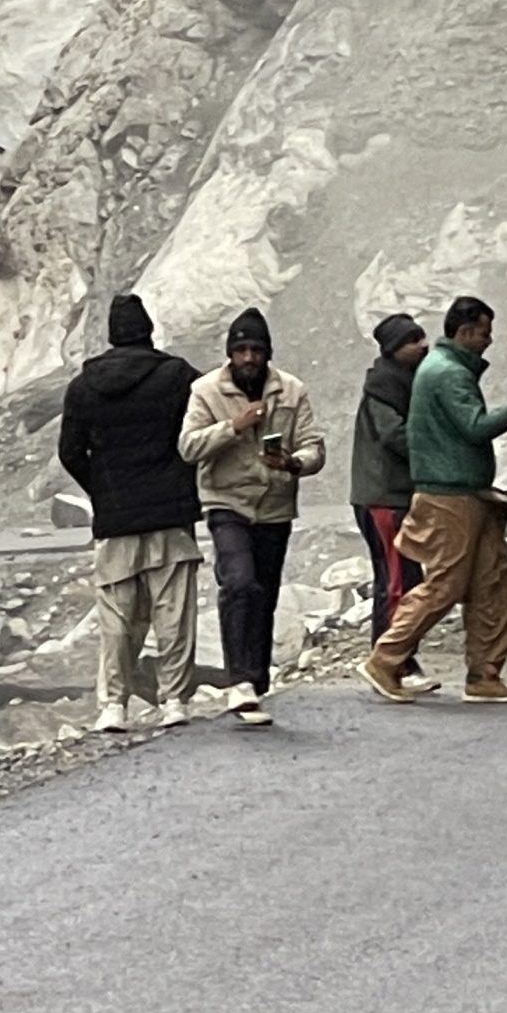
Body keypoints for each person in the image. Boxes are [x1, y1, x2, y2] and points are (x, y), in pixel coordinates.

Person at [359, 295, 507, 706]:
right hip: (449, 496)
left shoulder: (445, 369)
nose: (488, 341)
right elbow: (476, 427)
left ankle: (485, 674)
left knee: (490, 582)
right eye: (484, 333)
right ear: (466, 331)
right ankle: (385, 659)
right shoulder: (448, 374)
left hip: (468, 493)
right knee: (446, 583)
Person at [57, 294, 203, 736]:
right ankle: (174, 700)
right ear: (148, 330)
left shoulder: (83, 387)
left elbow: (69, 452)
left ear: (111, 334)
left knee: (117, 619)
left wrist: (103, 490)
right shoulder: (177, 376)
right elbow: (204, 422)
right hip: (169, 513)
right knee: (173, 613)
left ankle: (113, 706)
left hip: (116, 518)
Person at [179, 307, 324, 727]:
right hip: (227, 502)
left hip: (275, 504)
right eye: (240, 350)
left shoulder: (291, 391)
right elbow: (188, 447)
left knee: (265, 591)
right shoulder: (206, 391)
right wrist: (233, 426)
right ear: (229, 354)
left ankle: (255, 682)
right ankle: (238, 680)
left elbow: (315, 446)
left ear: (267, 353)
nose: (248, 358)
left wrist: (294, 463)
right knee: (239, 582)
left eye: (255, 350)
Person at [352, 313, 439, 696]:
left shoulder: (404, 381)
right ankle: (388, 662)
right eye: (411, 341)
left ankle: (400, 658)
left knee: (405, 577)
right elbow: (396, 436)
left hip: (397, 495)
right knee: (395, 582)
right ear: (393, 348)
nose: (422, 345)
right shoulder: (384, 387)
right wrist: (438, 450)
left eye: (420, 337)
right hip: (383, 497)